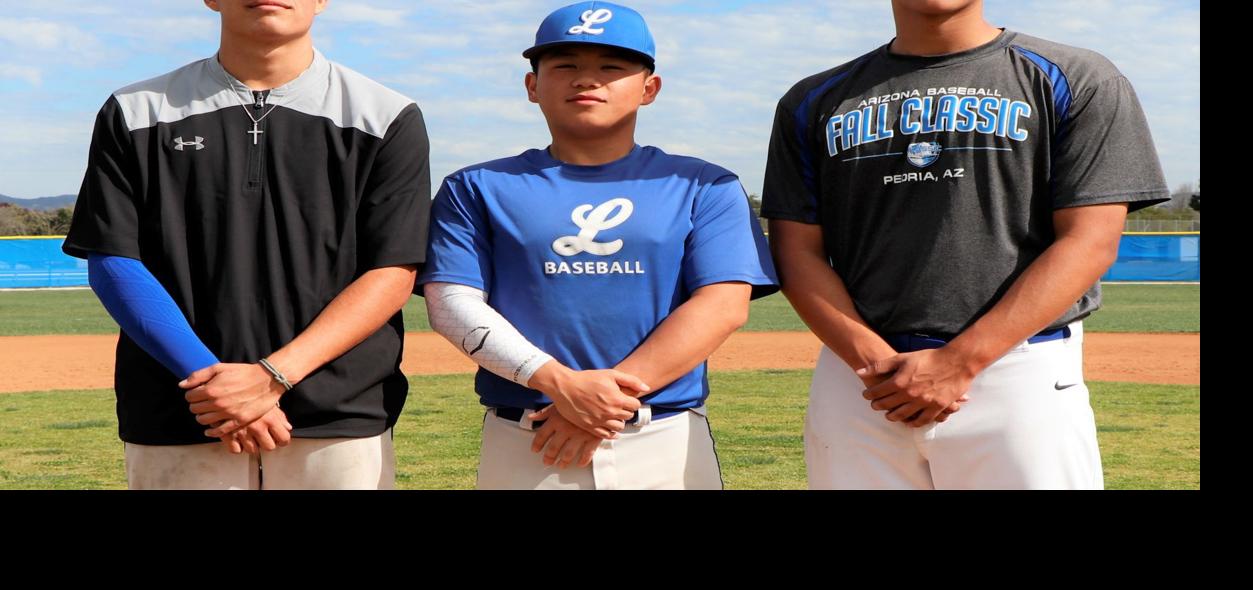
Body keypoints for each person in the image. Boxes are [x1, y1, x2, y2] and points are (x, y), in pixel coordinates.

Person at [762, 0, 1168, 489]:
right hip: (862, 377)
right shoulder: (813, 99)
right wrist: (873, 363)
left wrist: (960, 362)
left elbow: (1090, 240)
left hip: (1017, 368)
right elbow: (796, 250)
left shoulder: (1077, 76)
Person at [61, 0, 430, 490]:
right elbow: (113, 260)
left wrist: (272, 376)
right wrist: (213, 383)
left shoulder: (385, 114)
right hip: (182, 410)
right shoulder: (136, 110)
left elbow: (393, 269)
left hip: (336, 415)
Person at [418, 1, 778, 490]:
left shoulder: (704, 184)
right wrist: (560, 385)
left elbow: (723, 305)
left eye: (612, 67)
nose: (587, 80)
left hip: (665, 438)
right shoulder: (476, 186)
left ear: (649, 88)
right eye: (565, 65)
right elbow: (451, 303)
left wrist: (600, 405)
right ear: (532, 86)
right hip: (528, 436)